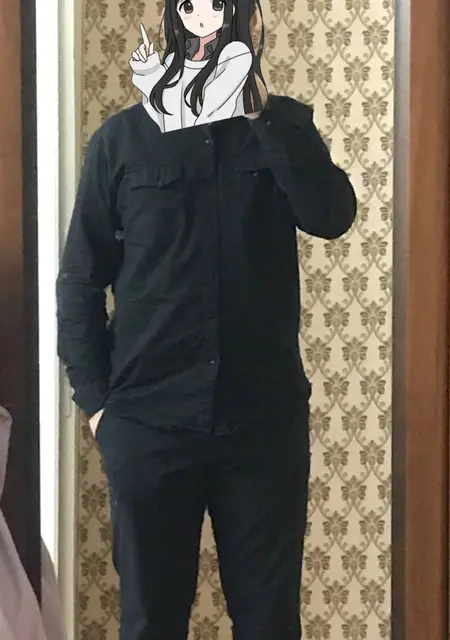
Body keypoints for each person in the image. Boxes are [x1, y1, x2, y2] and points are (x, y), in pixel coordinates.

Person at [57, 2, 357, 638]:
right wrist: (98, 404)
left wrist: (263, 114)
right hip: (149, 424)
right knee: (151, 623)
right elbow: (80, 280)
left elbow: (330, 215)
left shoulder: (281, 126)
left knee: (270, 624)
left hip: (263, 426)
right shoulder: (121, 141)